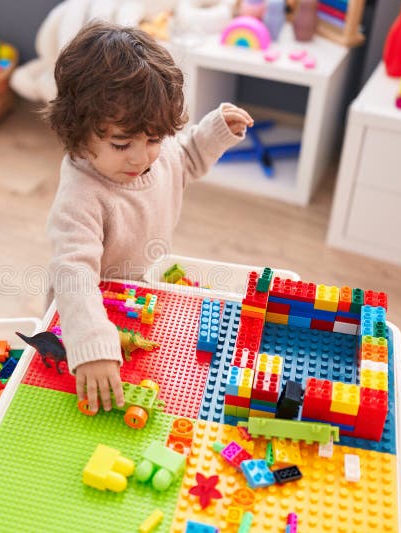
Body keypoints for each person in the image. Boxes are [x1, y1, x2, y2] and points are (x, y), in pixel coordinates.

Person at [44, 21, 253, 414]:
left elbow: (186, 158)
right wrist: (90, 343)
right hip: (88, 316)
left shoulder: (155, 153)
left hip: (142, 298)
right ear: (77, 132)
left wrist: (215, 131)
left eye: (154, 140)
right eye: (121, 144)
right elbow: (72, 272)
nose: (141, 157)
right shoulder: (81, 194)